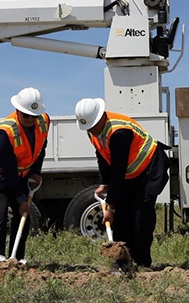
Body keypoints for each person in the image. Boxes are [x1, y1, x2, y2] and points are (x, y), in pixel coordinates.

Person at [75, 98, 170, 273]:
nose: (91, 131)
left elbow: (118, 171)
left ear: (101, 117)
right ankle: (122, 262)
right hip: (130, 172)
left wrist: (110, 207)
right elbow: (103, 158)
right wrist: (104, 183)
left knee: (141, 215)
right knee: (122, 216)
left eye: (93, 126)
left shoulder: (119, 132)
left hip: (150, 168)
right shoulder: (92, 131)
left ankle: (143, 263)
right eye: (88, 128)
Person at [0, 87, 48, 269]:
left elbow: (40, 148)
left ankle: (17, 258)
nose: (31, 120)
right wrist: (20, 198)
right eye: (26, 116)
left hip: (21, 173)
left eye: (34, 116)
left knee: (23, 215)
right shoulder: (5, 132)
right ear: (17, 111)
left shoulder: (43, 121)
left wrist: (35, 172)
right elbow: (8, 171)